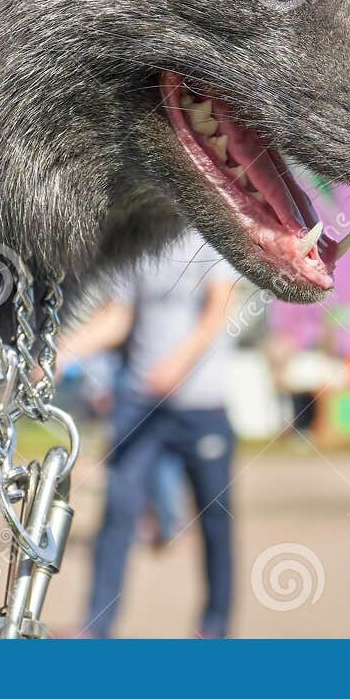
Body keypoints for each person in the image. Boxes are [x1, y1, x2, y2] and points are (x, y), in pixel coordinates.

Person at [60, 231, 238, 638]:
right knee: (118, 512)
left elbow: (219, 309)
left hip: (202, 405)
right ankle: (96, 627)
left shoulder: (210, 237)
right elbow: (117, 318)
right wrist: (60, 352)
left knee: (215, 520)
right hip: (140, 405)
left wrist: (178, 364)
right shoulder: (139, 240)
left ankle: (215, 629)